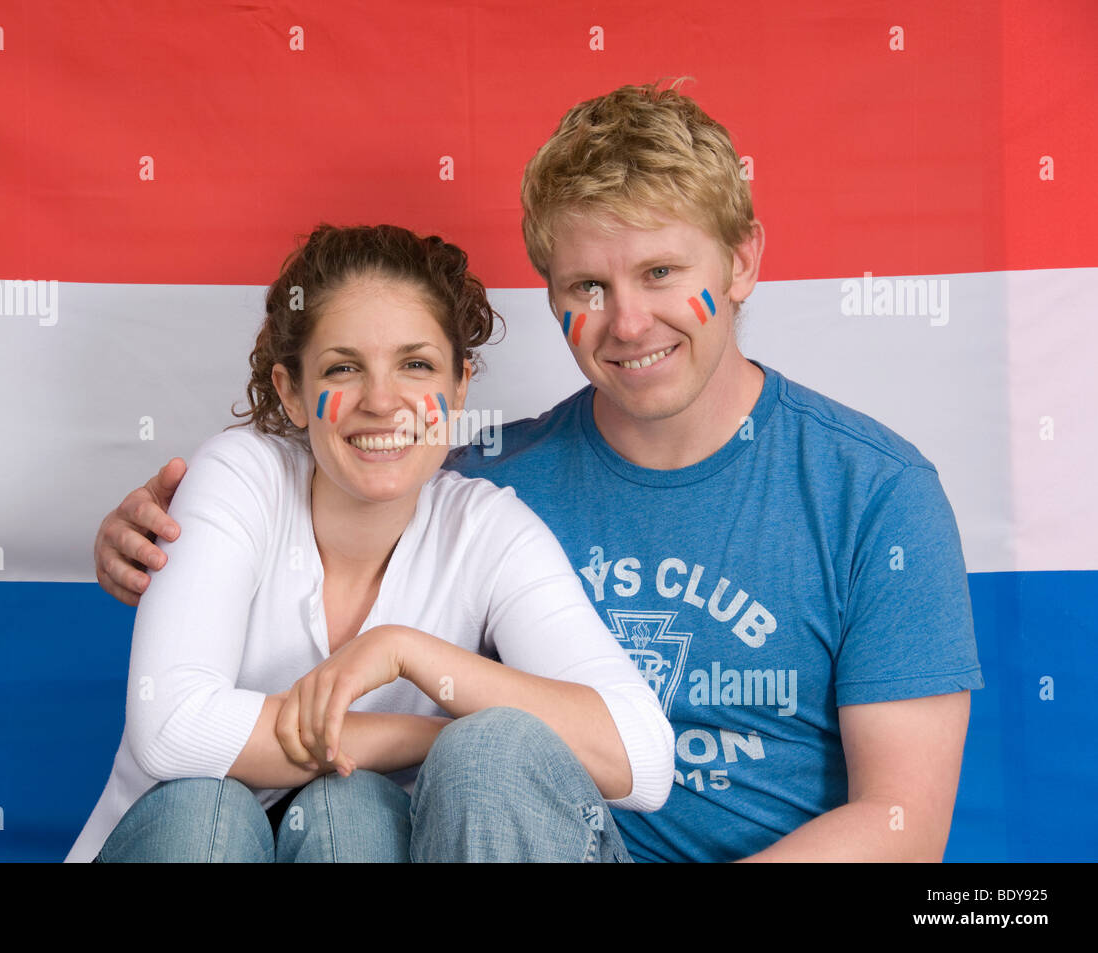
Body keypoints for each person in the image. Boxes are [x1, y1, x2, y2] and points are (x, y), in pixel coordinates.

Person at [95, 81, 983, 862]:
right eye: (587, 288)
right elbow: (349, 472)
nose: (627, 322)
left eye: (663, 272)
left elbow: (903, 822)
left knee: (481, 748)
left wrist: (410, 658)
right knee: (469, 761)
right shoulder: (482, 477)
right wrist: (156, 534)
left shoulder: (874, 493)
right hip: (519, 840)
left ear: (743, 259)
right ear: (553, 295)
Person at [67, 223, 674, 863]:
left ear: (459, 387)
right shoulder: (241, 475)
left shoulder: (489, 531)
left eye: (416, 365)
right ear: (291, 393)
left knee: (351, 810)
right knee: (207, 809)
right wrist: (427, 735)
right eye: (343, 367)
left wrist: (404, 652)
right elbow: (171, 730)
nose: (383, 402)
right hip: (186, 845)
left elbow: (643, 758)